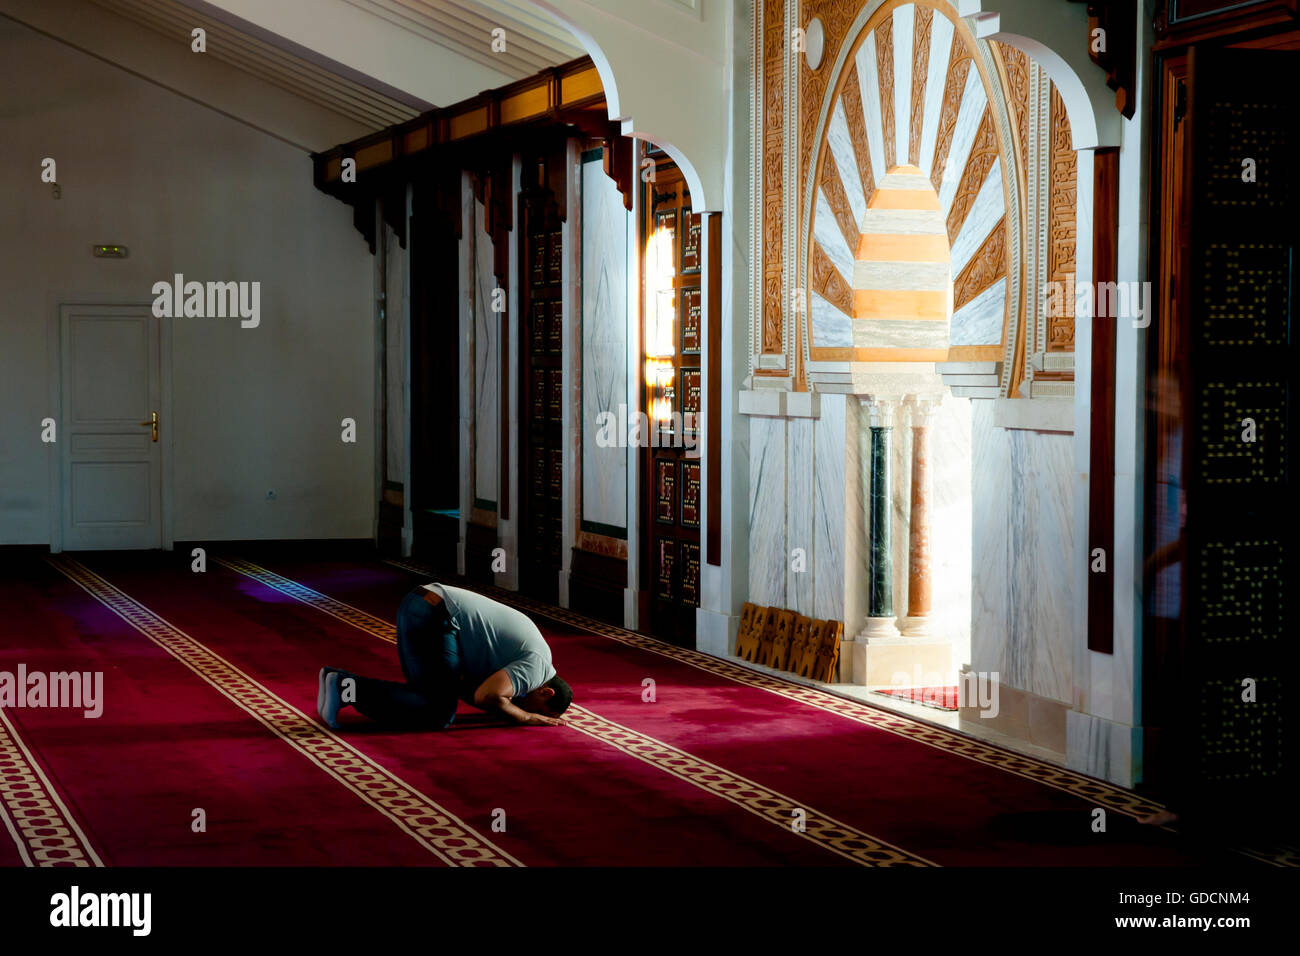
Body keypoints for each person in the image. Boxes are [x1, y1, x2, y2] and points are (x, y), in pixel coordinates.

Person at [317, 582, 573, 730]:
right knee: (437, 711)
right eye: (538, 709)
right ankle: (345, 687)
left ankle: (339, 682)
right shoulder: (538, 666)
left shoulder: (535, 658)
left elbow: (472, 692)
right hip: (437, 614)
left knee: (427, 695)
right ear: (545, 692)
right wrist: (525, 716)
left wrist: (505, 708)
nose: (524, 706)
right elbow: (488, 696)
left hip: (422, 601)